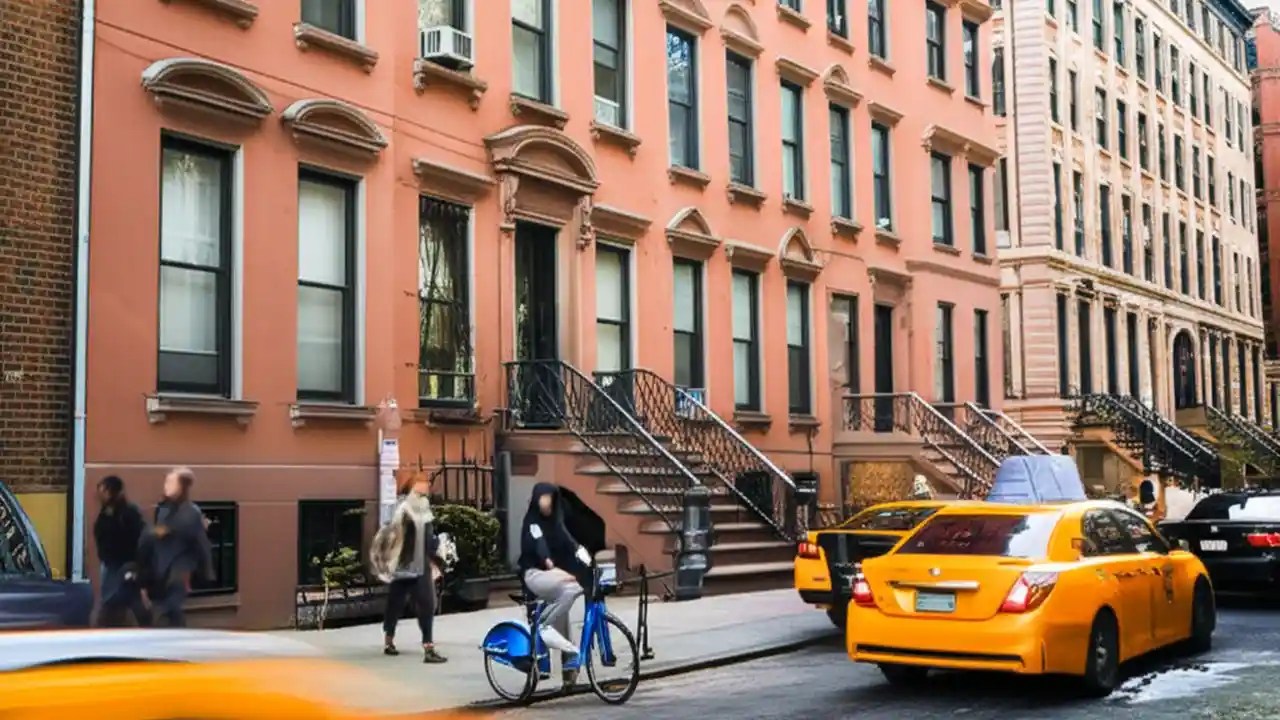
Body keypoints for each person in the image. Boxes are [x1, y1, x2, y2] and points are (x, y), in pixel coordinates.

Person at [369, 470, 447, 664]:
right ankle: (415, 645)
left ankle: (406, 643)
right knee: (413, 604)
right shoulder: (409, 508)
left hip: (409, 564)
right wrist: (436, 547)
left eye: (427, 482)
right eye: (423, 482)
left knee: (408, 603)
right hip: (410, 564)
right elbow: (415, 536)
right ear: (413, 485)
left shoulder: (413, 506)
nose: (427, 485)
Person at [518, 482, 593, 682]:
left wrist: (583, 555)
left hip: (552, 579)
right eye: (542, 498)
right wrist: (552, 566)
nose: (545, 502)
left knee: (563, 615)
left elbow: (568, 541)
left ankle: (569, 668)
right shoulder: (532, 522)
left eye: (549, 498)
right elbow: (539, 545)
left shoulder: (556, 523)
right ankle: (543, 627)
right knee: (571, 589)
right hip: (535, 574)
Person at [136, 467, 212, 628]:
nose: (166, 485)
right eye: (166, 481)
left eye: (171, 482)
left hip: (180, 569)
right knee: (166, 610)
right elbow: (155, 538)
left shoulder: (191, 512)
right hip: (160, 569)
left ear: (182, 486)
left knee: (169, 607)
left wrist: (206, 571)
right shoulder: (163, 509)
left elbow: (200, 543)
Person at [93, 475, 151, 627]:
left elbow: (140, 538)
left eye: (104, 491)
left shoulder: (129, 513)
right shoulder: (105, 512)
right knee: (116, 598)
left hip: (125, 564)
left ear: (112, 491)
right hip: (109, 563)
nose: (100, 495)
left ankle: (111, 625)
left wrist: (135, 564)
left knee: (123, 598)